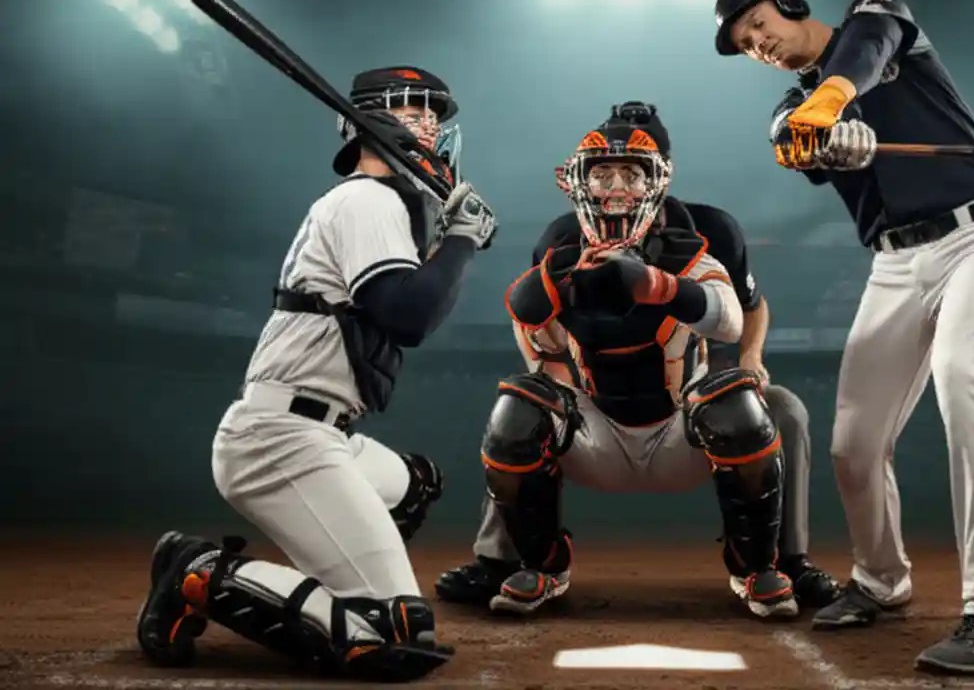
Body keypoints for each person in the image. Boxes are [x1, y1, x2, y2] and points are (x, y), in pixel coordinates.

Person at [714, 0, 974, 675]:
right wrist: (825, 141)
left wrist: (835, 98)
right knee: (853, 445)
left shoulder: (876, 16)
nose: (758, 44)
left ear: (791, 6)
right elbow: (789, 142)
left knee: (965, 388)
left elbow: (869, 44)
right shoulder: (792, 107)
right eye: (745, 45)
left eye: (759, 25)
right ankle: (882, 581)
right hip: (894, 264)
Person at [135, 66, 498, 683]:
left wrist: (445, 241)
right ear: (368, 123)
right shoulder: (366, 199)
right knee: (394, 639)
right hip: (281, 440)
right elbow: (408, 315)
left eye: (435, 114)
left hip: (325, 434)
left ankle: (346, 577)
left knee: (413, 485)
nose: (431, 125)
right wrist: (461, 240)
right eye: (412, 112)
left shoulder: (386, 207)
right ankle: (193, 571)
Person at [434, 102, 839, 610]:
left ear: (660, 175)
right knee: (519, 406)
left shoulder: (701, 239)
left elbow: (736, 316)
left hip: (680, 416)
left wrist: (667, 292)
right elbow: (532, 331)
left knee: (761, 406)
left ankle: (775, 563)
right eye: (604, 172)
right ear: (580, 178)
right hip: (597, 419)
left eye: (633, 170)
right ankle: (515, 561)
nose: (618, 188)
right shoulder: (560, 245)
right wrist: (556, 379)